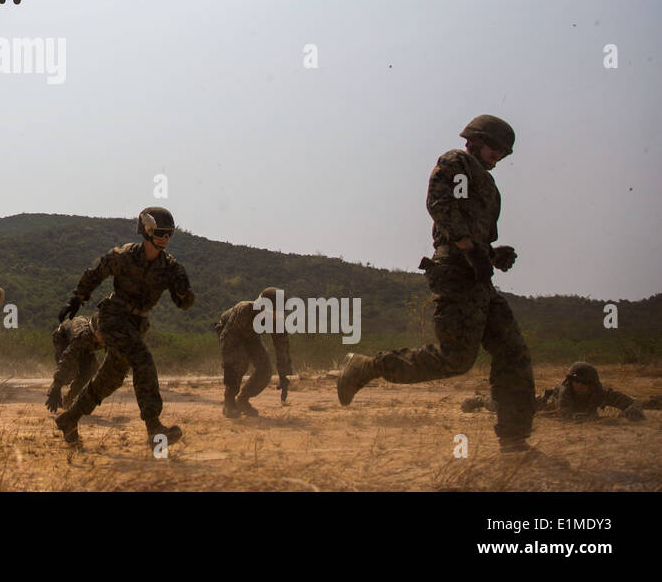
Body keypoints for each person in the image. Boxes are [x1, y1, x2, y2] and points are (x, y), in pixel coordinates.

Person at [338, 115, 537, 453]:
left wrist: (490, 254)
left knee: (513, 351)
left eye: (504, 153)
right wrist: (469, 248)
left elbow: (471, 233)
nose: (498, 156)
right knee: (456, 359)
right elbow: (440, 205)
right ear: (475, 140)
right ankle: (369, 366)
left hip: (478, 277)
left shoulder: (486, 183)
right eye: (495, 148)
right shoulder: (458, 163)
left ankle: (514, 439)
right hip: (457, 274)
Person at [52, 207, 195, 447]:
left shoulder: (171, 267)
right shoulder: (124, 256)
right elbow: (96, 273)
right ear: (146, 230)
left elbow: (185, 302)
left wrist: (184, 295)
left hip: (137, 324)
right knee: (142, 359)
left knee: (110, 379)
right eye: (160, 233)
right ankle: (154, 427)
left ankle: (69, 418)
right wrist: (77, 298)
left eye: (169, 234)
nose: (165, 239)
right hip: (113, 317)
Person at [462, 362, 646, 420]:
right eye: (575, 381)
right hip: (540, 404)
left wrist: (630, 413)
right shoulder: (565, 391)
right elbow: (568, 416)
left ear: (592, 383)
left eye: (584, 382)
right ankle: (480, 400)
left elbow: (633, 402)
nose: (579, 385)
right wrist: (604, 420)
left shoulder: (601, 392)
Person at [216, 286, 294, 417]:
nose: (278, 315)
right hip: (230, 332)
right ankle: (229, 403)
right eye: (276, 311)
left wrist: (284, 376)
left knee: (265, 369)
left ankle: (243, 400)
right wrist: (229, 365)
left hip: (251, 336)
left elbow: (282, 348)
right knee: (239, 363)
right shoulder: (244, 310)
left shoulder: (277, 320)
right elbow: (228, 340)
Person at [46, 313, 103, 413]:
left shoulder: (107, 336)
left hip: (87, 345)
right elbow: (66, 360)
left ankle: (68, 400)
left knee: (91, 369)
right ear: (96, 333)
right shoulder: (81, 337)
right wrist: (56, 386)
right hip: (63, 338)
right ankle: (54, 390)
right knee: (70, 371)